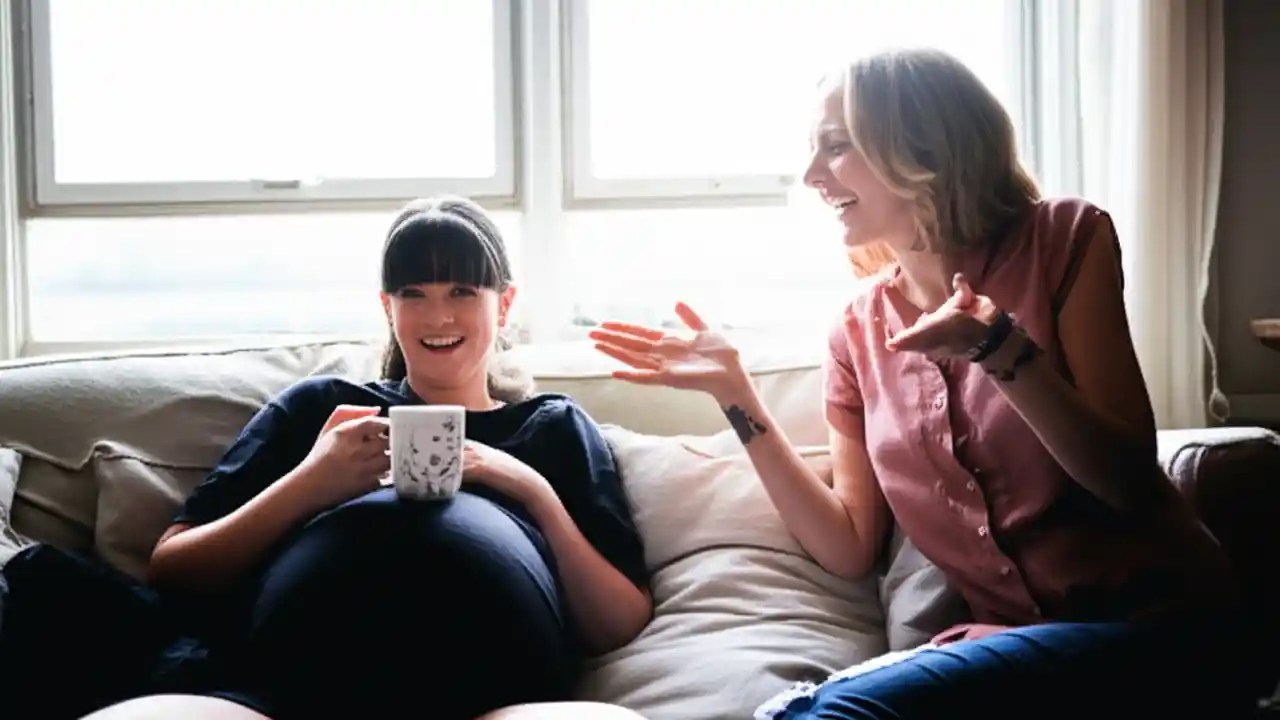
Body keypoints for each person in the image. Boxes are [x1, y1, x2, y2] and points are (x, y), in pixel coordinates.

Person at [590, 48, 1262, 720]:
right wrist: (736, 397)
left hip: (1154, 627)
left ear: (919, 145)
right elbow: (848, 547)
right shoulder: (856, 330)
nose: (811, 175)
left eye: (836, 146)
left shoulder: (1064, 239)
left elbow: (1125, 479)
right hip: (1005, 652)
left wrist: (1000, 351)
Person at [0, 196, 652, 720]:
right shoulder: (324, 407)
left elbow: (618, 622)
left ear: (503, 303)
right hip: (289, 687)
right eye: (414, 293)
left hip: (496, 693)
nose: (437, 314)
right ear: (387, 307)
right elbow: (173, 567)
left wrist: (527, 487)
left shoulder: (551, 426)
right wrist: (313, 481)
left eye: (461, 291)